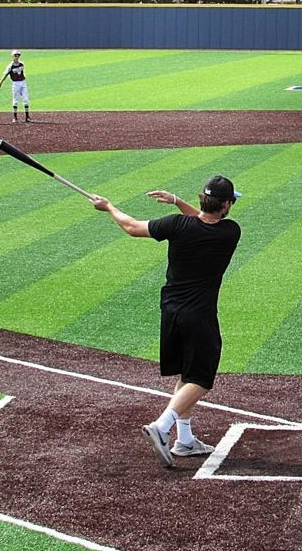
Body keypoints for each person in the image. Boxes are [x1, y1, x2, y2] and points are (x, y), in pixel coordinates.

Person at [89, 175, 243, 467]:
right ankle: (162, 426)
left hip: (171, 311)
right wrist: (178, 202)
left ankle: (184, 441)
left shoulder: (176, 225)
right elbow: (203, 221)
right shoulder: (230, 232)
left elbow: (132, 227)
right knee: (201, 379)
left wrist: (109, 207)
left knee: (186, 375)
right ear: (225, 205)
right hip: (199, 316)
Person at [0, 49, 32, 123]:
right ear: (12, 56)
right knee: (15, 100)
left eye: (18, 55)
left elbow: (22, 73)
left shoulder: (22, 64)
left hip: (23, 82)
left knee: (26, 100)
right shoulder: (10, 66)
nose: (17, 57)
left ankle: (27, 117)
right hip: (15, 84)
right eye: (15, 55)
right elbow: (5, 74)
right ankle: (15, 118)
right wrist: (0, 82)